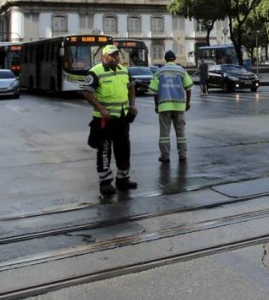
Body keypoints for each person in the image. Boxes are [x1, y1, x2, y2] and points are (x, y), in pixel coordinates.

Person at [82, 44, 137, 196]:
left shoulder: (124, 70)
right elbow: (87, 93)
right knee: (105, 150)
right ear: (103, 57)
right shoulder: (95, 72)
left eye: (117, 55)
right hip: (104, 120)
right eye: (112, 55)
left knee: (123, 148)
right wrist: (101, 109)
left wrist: (132, 104)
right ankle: (105, 182)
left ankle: (123, 178)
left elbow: (132, 86)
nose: (115, 58)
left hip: (121, 117)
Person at [150, 50, 194, 163]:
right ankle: (182, 155)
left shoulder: (159, 72)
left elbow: (154, 91)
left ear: (165, 59)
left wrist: (156, 105)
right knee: (181, 133)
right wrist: (188, 102)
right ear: (174, 58)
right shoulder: (181, 71)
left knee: (164, 133)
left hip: (164, 107)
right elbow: (188, 88)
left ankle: (165, 156)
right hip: (179, 107)